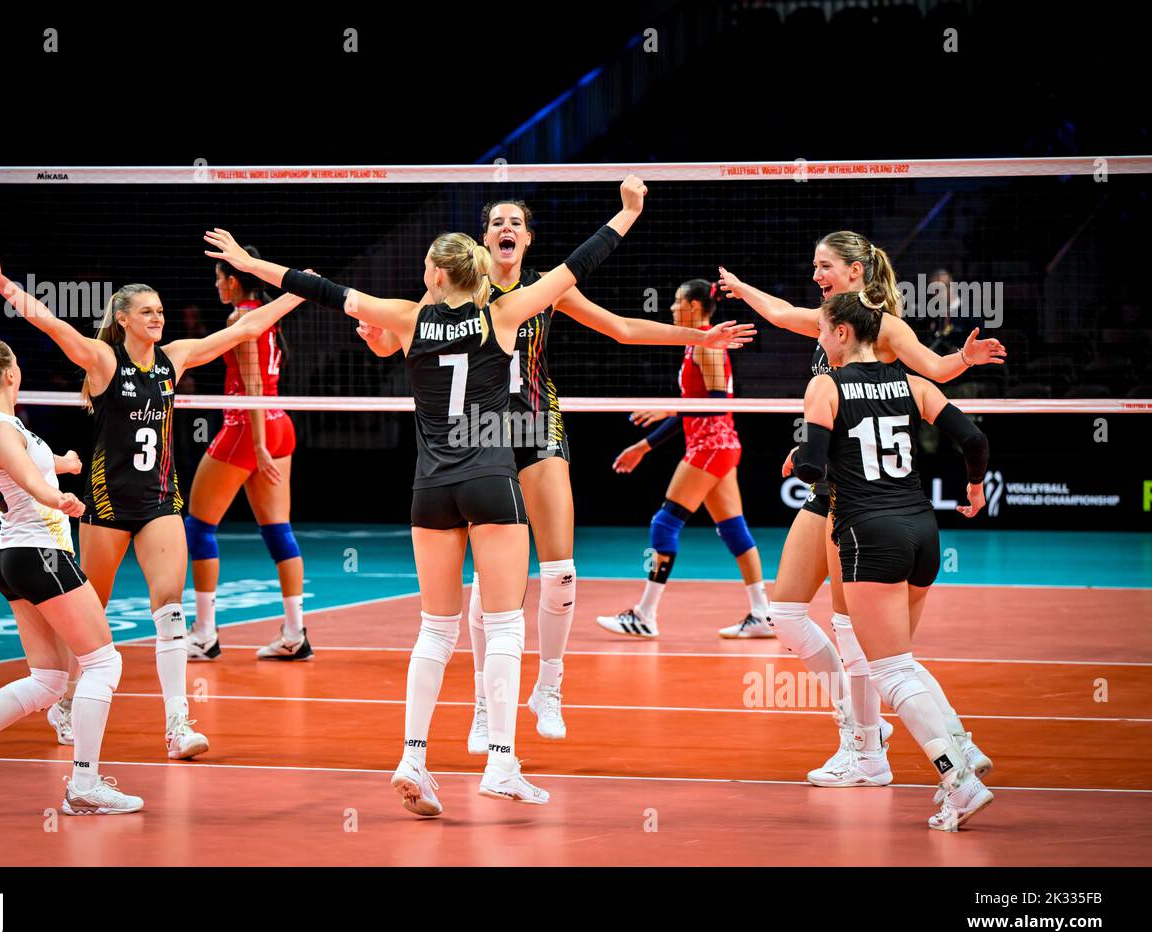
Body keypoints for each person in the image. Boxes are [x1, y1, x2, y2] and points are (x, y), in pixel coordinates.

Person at [207, 176, 647, 814]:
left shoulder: (407, 319)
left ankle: (413, 756)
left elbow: (320, 289)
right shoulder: (505, 312)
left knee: (435, 630)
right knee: (501, 626)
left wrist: (252, 265)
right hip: (491, 483)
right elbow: (580, 264)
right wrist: (627, 213)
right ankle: (501, 762)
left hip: (429, 490)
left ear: (439, 277)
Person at [359, 201, 754, 746]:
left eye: (515, 223)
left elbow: (620, 328)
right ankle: (483, 703)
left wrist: (696, 337)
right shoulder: (453, 291)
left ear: (528, 238)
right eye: (497, 222)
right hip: (479, 435)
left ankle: (549, 686)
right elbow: (399, 341)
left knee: (560, 571)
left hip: (538, 427)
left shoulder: (549, 288)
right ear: (484, 238)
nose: (506, 229)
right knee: (488, 588)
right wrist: (375, 336)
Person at [0, 250, 305, 760]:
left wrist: (302, 290)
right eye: (147, 311)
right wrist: (4, 285)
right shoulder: (106, 362)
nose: (158, 317)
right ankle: (62, 701)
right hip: (106, 508)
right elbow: (49, 323)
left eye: (161, 311)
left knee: (170, 608)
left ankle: (177, 725)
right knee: (89, 617)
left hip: (159, 504)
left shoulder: (175, 357)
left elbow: (245, 330)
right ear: (123, 319)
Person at [718, 232, 1004, 786]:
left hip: (863, 499)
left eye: (825, 266)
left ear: (855, 271)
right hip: (831, 487)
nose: (816, 275)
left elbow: (936, 373)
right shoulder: (830, 319)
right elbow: (778, 313)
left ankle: (872, 747)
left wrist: (963, 358)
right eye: (813, 266)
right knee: (788, 614)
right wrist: (740, 287)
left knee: (862, 639)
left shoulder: (882, 326)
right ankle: (873, 726)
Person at [789, 291, 993, 830]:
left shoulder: (824, 386)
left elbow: (812, 469)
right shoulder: (913, 384)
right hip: (922, 530)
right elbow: (974, 440)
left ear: (840, 334)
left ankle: (958, 780)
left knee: (889, 668)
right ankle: (963, 750)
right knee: (900, 659)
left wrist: (800, 460)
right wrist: (974, 489)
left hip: (867, 533)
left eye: (820, 331)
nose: (817, 338)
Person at [0, 337, 141, 814]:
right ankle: (84, 785)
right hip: (38, 554)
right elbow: (26, 478)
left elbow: (27, 463)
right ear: (11, 375)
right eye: (17, 364)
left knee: (47, 681)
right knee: (104, 663)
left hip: (13, 557)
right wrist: (57, 496)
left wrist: (64, 465)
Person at [597, 279, 772, 639]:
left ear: (694, 307)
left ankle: (645, 615)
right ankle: (763, 614)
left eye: (678, 302)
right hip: (717, 446)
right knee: (733, 529)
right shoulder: (698, 344)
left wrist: (662, 419)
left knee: (664, 525)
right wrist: (657, 430)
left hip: (710, 446)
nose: (673, 309)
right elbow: (698, 407)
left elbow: (718, 404)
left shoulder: (707, 346)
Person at [184, 251, 312, 662]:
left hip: (247, 425)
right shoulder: (266, 313)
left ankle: (204, 634)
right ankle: (295, 633)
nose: (216, 286)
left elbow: (253, 380)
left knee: (198, 527)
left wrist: (256, 444)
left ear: (234, 281)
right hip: (280, 423)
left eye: (219, 278)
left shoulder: (241, 318)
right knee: (278, 531)